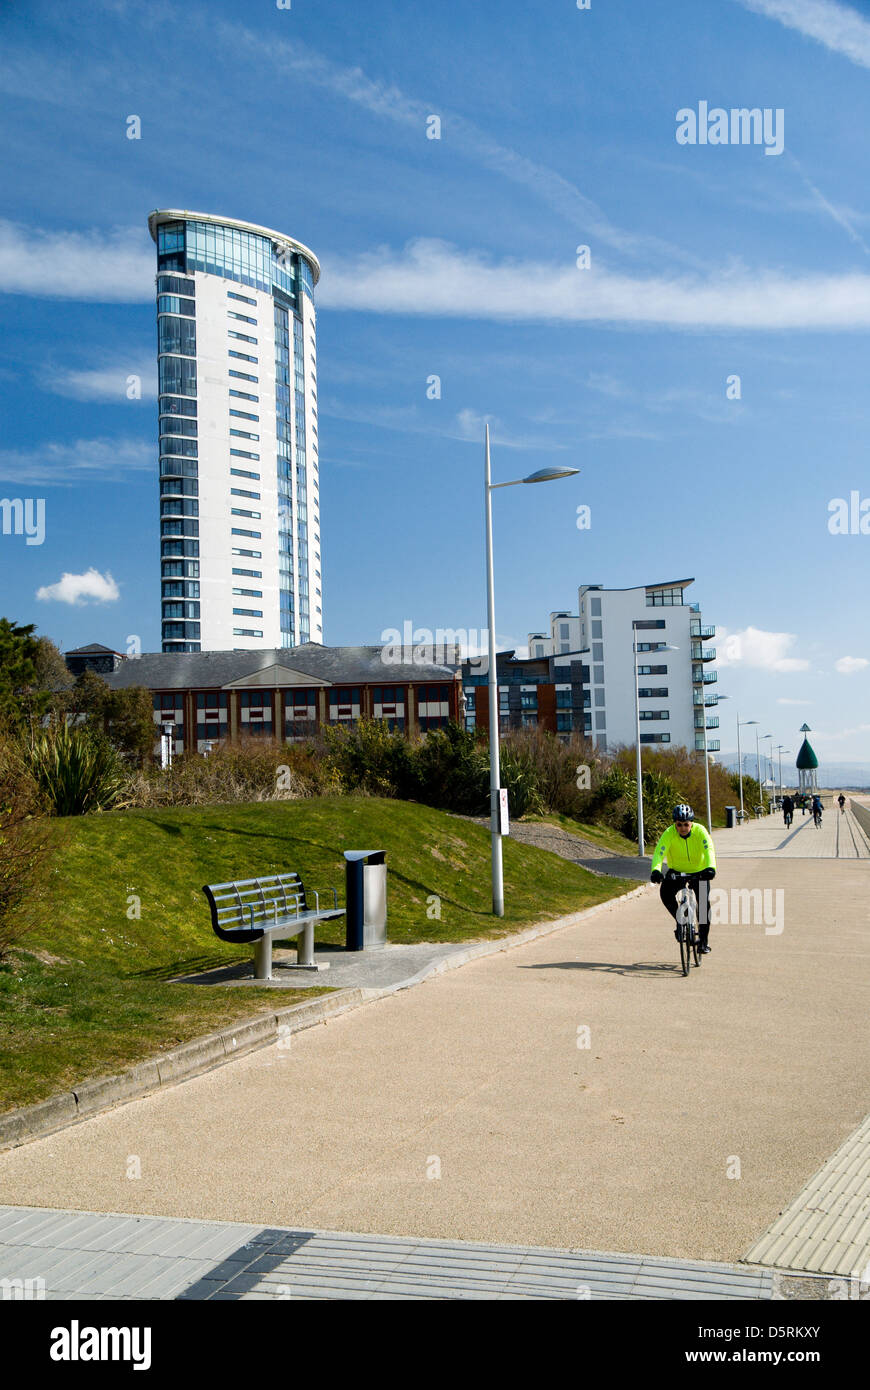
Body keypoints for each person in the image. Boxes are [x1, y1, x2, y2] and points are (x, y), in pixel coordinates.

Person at [649, 804, 717, 953]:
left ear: (692, 823)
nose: (683, 828)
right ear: (675, 823)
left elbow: (709, 850)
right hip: (677, 872)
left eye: (686, 824)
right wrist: (656, 870)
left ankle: (703, 943)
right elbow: (659, 853)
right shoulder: (669, 833)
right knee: (665, 893)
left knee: (704, 906)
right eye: (679, 824)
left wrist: (711, 868)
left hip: (699, 872)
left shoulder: (700, 831)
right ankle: (681, 919)